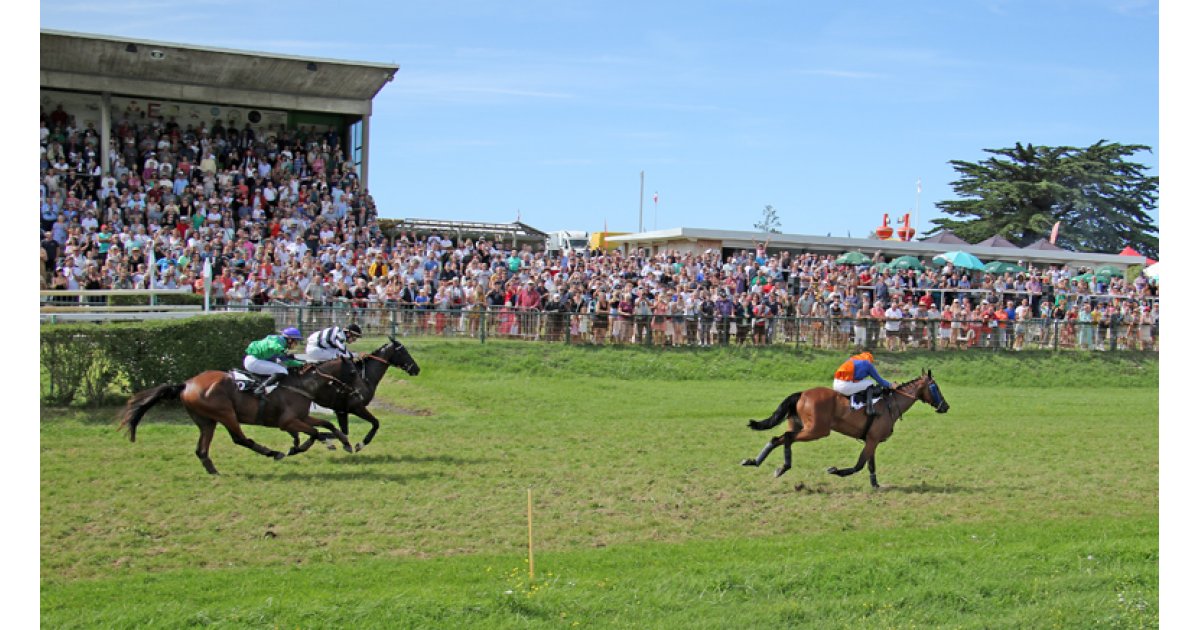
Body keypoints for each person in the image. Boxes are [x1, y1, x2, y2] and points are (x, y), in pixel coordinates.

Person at [243, 327, 305, 396]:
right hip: (253, 361)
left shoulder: (283, 346)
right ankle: (260, 389)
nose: (296, 344)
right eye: (296, 341)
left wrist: (302, 364)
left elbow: (287, 361)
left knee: (282, 368)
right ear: (290, 339)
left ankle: (262, 387)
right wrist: (284, 351)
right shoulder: (275, 339)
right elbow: (274, 346)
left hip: (257, 361)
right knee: (282, 371)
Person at [832, 350, 893, 416]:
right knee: (870, 382)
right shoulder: (867, 364)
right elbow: (880, 381)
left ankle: (854, 400)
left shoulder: (852, 359)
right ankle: (870, 409)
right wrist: (890, 385)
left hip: (835, 384)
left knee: (861, 384)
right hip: (844, 386)